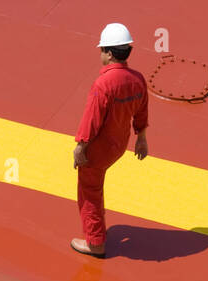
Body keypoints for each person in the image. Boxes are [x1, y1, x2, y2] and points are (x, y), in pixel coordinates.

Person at [71, 23, 149, 258]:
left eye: (102, 49)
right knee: (97, 183)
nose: (101, 54)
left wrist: (80, 146)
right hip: (119, 145)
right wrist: (141, 139)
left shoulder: (103, 85)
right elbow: (142, 110)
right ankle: (98, 233)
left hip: (98, 149)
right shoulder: (137, 80)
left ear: (110, 53)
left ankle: (95, 243)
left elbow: (91, 121)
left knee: (90, 190)